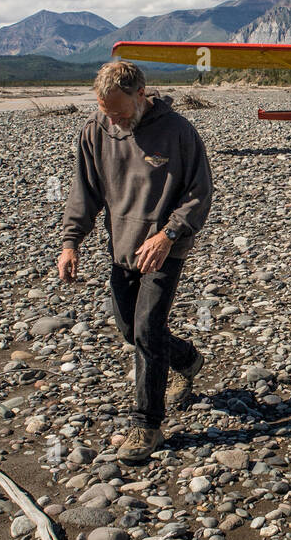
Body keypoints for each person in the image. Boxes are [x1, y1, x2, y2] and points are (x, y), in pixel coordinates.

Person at [57, 60, 213, 463]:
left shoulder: (177, 131)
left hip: (165, 247)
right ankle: (187, 359)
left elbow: (199, 193)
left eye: (120, 112)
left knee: (147, 328)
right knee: (130, 329)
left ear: (141, 95)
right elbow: (85, 191)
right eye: (105, 110)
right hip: (123, 247)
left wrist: (169, 234)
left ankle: (146, 424)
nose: (113, 120)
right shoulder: (96, 129)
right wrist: (71, 242)